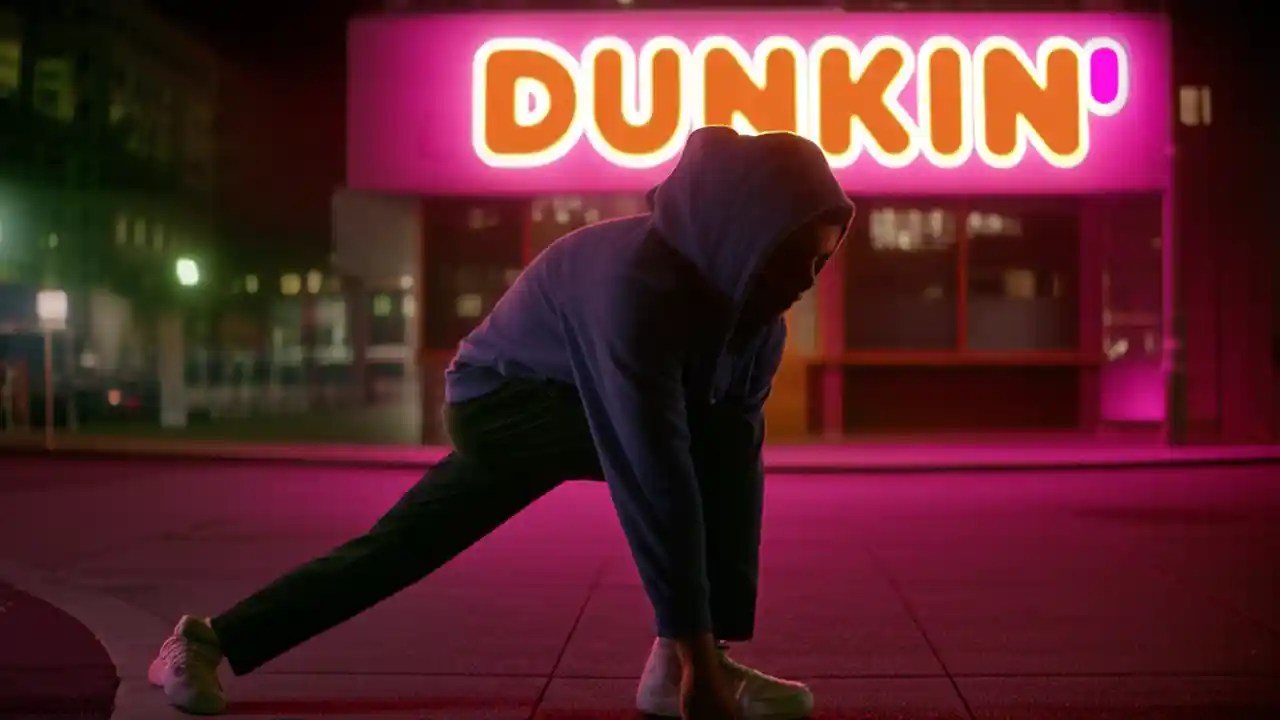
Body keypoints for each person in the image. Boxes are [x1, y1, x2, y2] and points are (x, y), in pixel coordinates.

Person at [148, 126, 853, 719]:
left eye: (822, 261)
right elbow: (653, 463)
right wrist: (694, 645)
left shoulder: (756, 323)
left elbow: (736, 465)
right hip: (499, 403)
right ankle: (681, 666)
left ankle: (209, 640)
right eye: (791, 258)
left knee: (397, 547)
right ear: (739, 240)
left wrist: (708, 637)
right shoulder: (635, 288)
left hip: (574, 405)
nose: (806, 280)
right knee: (683, 451)